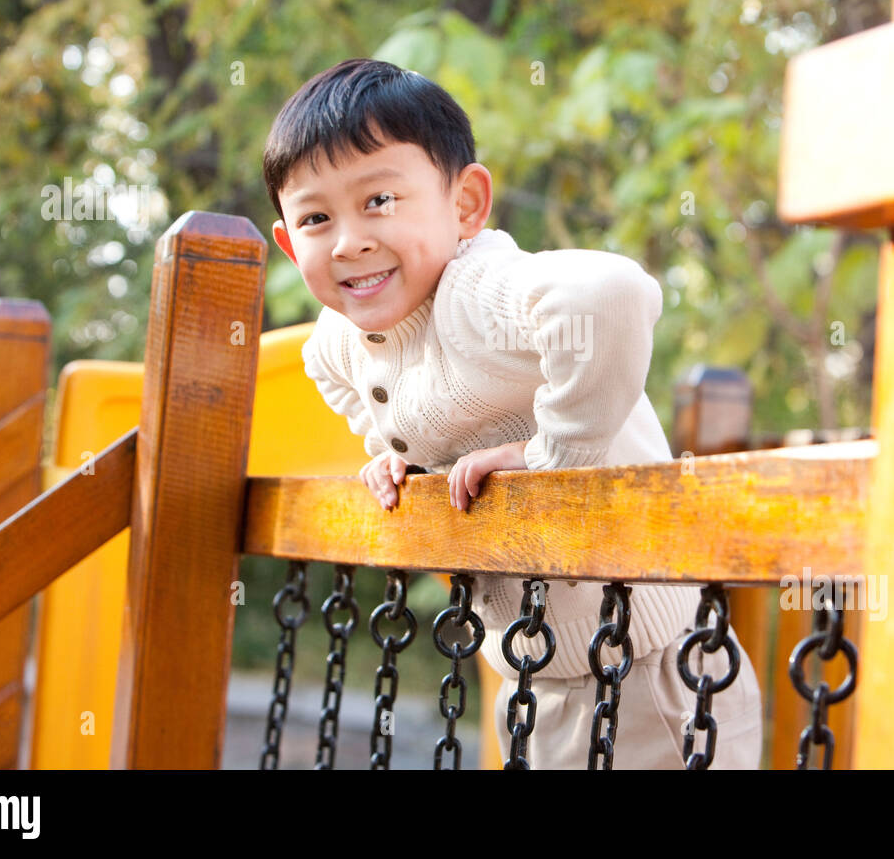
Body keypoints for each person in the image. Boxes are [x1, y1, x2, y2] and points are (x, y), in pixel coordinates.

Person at [264, 57, 762, 769]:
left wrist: (551, 459)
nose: (347, 241)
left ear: (465, 205)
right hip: (539, 671)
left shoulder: (480, 289)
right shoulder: (335, 343)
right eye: (316, 217)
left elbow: (613, 295)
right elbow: (357, 389)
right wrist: (400, 455)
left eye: (379, 201)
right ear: (288, 240)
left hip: (657, 668)